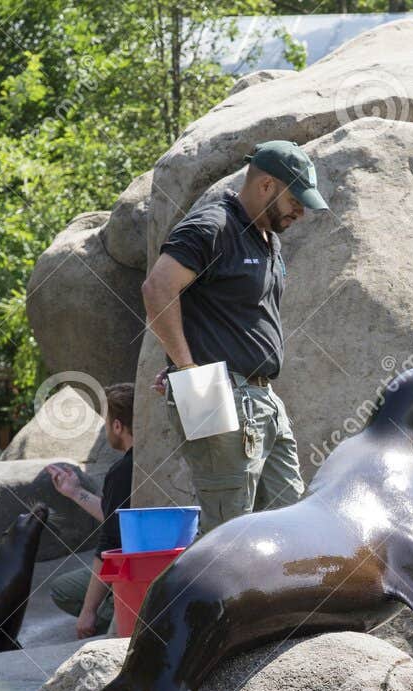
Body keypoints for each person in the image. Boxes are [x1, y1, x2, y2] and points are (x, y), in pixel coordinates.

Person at [142, 139, 327, 533]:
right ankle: (190, 597)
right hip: (217, 393)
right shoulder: (213, 226)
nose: (301, 212)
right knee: (228, 533)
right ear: (266, 185)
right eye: (296, 199)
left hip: (264, 399)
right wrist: (187, 370)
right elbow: (157, 288)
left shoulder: (268, 240)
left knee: (289, 522)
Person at [46, 383, 135, 637]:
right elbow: (117, 518)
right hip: (155, 562)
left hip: (132, 566)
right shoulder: (151, 461)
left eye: (106, 423)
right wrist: (75, 492)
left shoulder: (122, 471)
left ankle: (119, 614)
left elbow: (109, 542)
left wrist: (88, 610)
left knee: (63, 591)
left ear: (117, 426)